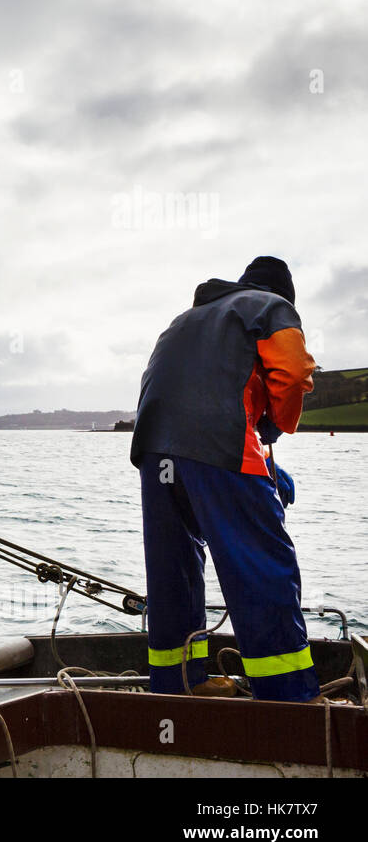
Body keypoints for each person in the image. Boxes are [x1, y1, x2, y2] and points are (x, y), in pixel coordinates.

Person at [130, 256, 319, 701]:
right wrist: (275, 427)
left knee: (172, 571)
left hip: (155, 451)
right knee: (261, 563)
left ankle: (179, 685)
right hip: (221, 446)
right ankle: (288, 696)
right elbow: (292, 375)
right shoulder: (270, 307)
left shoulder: (186, 319)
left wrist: (259, 459)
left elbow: (185, 390)